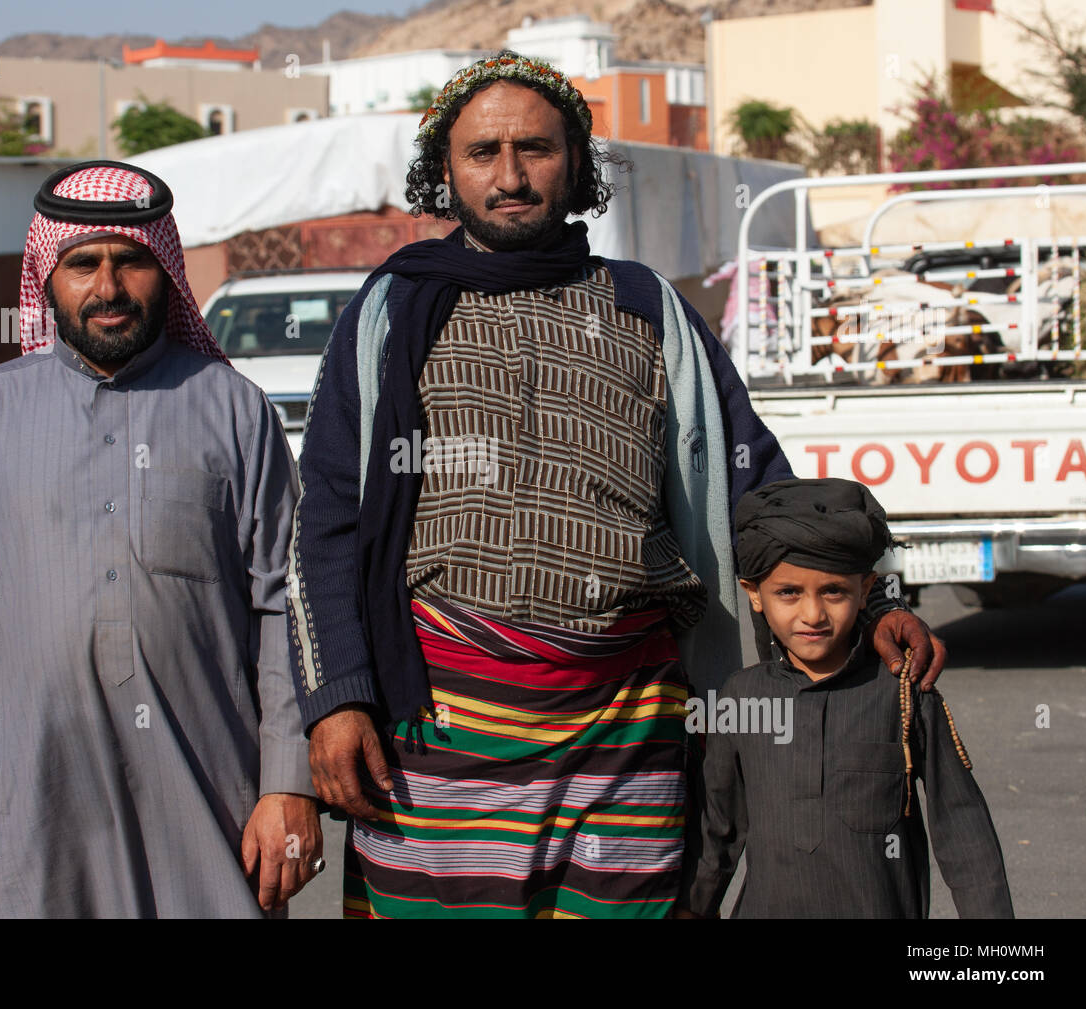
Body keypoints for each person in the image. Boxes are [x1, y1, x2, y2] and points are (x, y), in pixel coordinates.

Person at [286, 52, 946, 918]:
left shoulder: (650, 310)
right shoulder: (392, 312)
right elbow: (327, 521)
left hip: (628, 728)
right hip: (440, 729)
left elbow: (760, 486)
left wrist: (882, 597)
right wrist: (336, 701)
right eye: (483, 153)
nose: (512, 175)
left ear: (579, 161)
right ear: (445, 171)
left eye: (538, 148)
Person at [0, 160, 321, 918]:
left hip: (211, 788)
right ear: (46, 276)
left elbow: (284, 610)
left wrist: (287, 782)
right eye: (82, 264)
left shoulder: (234, 410)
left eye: (132, 262)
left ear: (166, 270)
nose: (109, 287)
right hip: (38, 792)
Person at [680, 478, 1013, 918]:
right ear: (754, 595)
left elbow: (963, 827)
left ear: (865, 588)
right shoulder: (741, 699)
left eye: (834, 591)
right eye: (788, 593)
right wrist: (692, 908)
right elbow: (718, 832)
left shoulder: (904, 693)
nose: (813, 614)